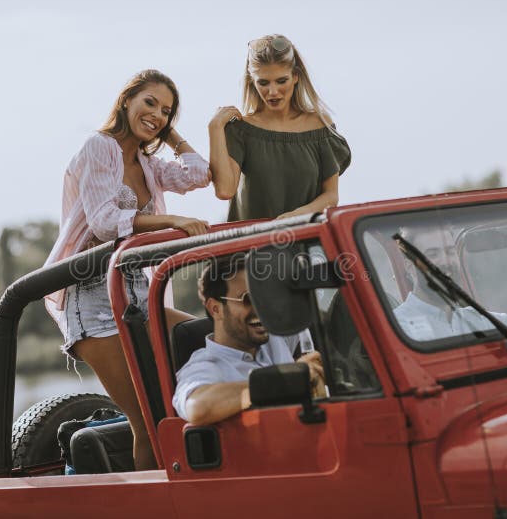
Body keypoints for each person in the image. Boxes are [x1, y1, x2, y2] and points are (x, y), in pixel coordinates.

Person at [44, 69, 222, 470]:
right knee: (148, 420)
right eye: (149, 103)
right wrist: (170, 221)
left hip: (137, 293)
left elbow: (199, 174)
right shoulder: (98, 147)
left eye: (166, 110)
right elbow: (105, 221)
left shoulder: (148, 162)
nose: (157, 115)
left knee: (208, 337)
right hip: (91, 298)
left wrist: (170, 132)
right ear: (126, 100)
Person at [207, 34, 352, 221]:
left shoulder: (319, 126)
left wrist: (294, 217)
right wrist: (215, 126)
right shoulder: (241, 130)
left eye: (281, 81)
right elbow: (225, 190)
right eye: (263, 82)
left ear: (295, 77)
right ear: (252, 81)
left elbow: (331, 196)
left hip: (306, 244)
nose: (273, 91)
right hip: (252, 246)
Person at [172, 255, 325, 425]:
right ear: (215, 309)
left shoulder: (274, 337)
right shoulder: (204, 366)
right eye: (249, 299)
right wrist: (282, 382)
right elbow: (197, 407)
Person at [393, 225, 507, 341]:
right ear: (410, 266)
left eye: (450, 252)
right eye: (432, 254)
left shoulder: (475, 318)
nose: (446, 262)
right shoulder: (398, 326)